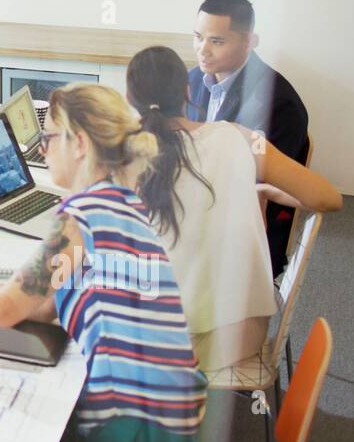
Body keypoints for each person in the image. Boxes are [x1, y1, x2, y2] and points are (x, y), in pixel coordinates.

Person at [0, 83, 207, 442]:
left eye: (49, 138)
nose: (42, 149)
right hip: (174, 408)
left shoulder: (80, 217)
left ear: (80, 144)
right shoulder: (122, 202)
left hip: (138, 426)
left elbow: (4, 311)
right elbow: (40, 306)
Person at [126, 46, 342, 370]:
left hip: (161, 341)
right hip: (242, 332)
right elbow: (328, 197)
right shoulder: (240, 137)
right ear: (187, 91)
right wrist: (270, 190)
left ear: (129, 100)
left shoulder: (121, 155)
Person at [188, 0, 310, 272]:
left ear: (249, 42)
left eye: (216, 41)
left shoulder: (279, 104)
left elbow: (260, 187)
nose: (202, 50)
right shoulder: (192, 80)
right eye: (198, 37)